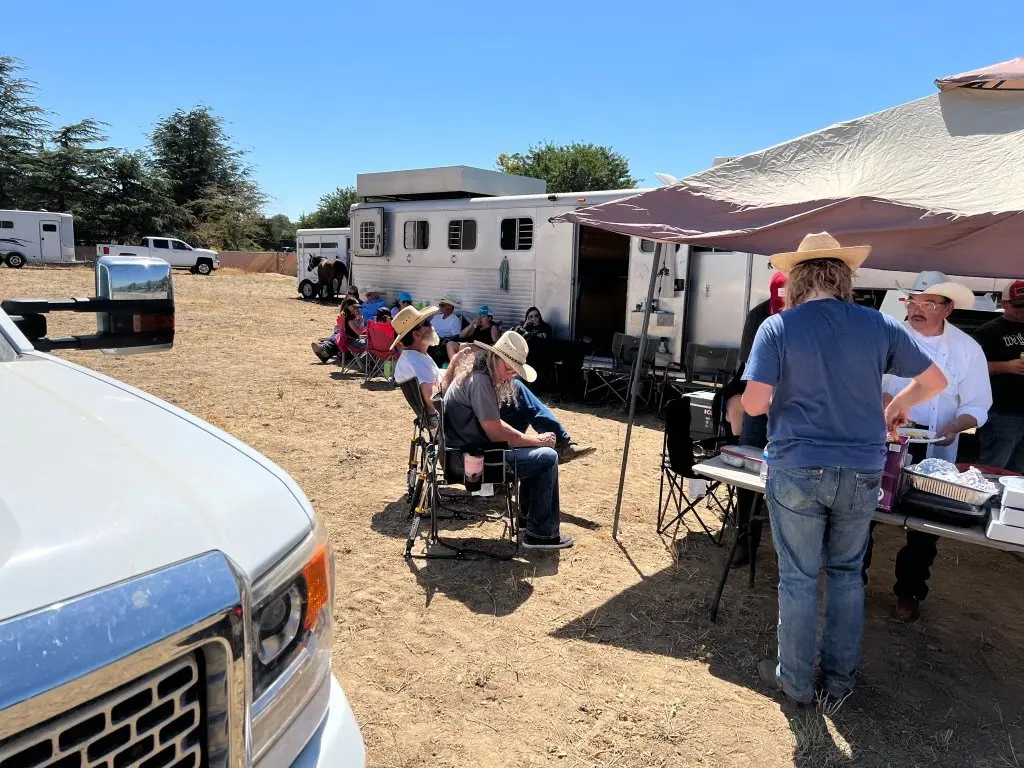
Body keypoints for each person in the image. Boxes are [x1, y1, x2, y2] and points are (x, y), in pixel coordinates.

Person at [742, 232, 947, 707]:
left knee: (797, 577)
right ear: (844, 278)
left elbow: (754, 404)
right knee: (847, 574)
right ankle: (839, 682)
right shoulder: (878, 324)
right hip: (862, 467)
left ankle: (794, 683)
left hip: (797, 466)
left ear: (796, 279)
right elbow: (935, 381)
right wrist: (898, 403)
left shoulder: (779, 327)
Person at [865, 271, 992, 621]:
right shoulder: (889, 337)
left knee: (925, 526)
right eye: (913, 302)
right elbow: (872, 382)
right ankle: (853, 581)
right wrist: (884, 401)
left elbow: (977, 405)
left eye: (928, 303)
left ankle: (909, 593)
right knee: (866, 513)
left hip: (935, 444)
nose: (917, 309)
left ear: (947, 309)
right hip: (885, 440)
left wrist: (955, 427)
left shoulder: (967, 349)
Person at [392, 306, 594, 464]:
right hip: (459, 427)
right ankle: (557, 445)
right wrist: (454, 365)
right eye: (426, 322)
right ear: (417, 334)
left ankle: (551, 446)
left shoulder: (417, 359)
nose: (432, 324)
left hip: (460, 419)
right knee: (516, 390)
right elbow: (436, 402)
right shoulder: (414, 362)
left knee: (513, 391)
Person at [443, 330, 574, 549]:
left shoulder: (476, 373)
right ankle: (541, 534)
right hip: (474, 462)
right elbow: (495, 431)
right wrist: (535, 440)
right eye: (508, 368)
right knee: (547, 456)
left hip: (464, 454)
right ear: (494, 357)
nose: (509, 375)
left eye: (515, 372)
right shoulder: (481, 380)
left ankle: (528, 522)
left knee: (537, 453)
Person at [722, 270, 788, 567]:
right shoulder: (759, 315)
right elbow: (752, 367)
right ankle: (745, 540)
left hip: (796, 410)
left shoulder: (811, 318)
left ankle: (788, 549)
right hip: (760, 403)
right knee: (749, 474)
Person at [975, 279, 1024, 473]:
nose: (1023, 310)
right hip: (1001, 413)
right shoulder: (988, 332)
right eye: (1019, 306)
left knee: (1019, 471)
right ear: (1005, 304)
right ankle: (982, 502)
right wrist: (1007, 367)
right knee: (993, 466)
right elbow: (971, 370)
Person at [429, 296, 465, 363]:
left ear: (450, 307)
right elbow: (428, 327)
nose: (440, 307)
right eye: (439, 305)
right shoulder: (437, 317)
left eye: (442, 305)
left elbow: (456, 336)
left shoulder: (455, 320)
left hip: (441, 343)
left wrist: (442, 339)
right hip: (430, 339)